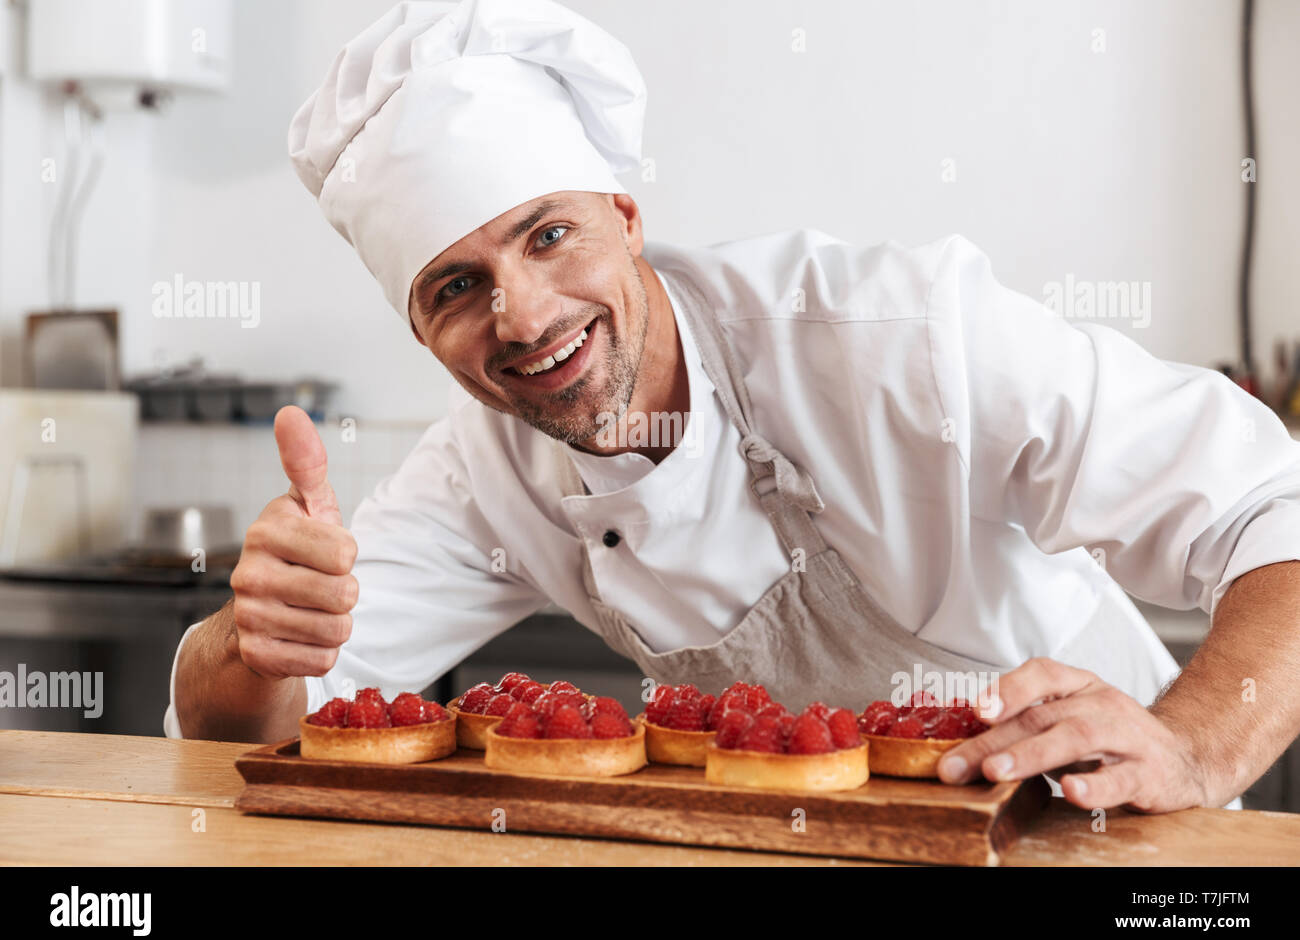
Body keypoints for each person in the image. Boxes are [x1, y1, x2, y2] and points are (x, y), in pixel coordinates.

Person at [168, 0, 1300, 814]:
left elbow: (1273, 507)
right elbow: (248, 735)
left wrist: (1197, 748)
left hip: (1093, 836)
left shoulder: (900, 337)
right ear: (422, 331)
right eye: (454, 288)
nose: (520, 315)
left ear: (625, 214)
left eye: (548, 233)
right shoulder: (483, 476)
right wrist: (252, 639)